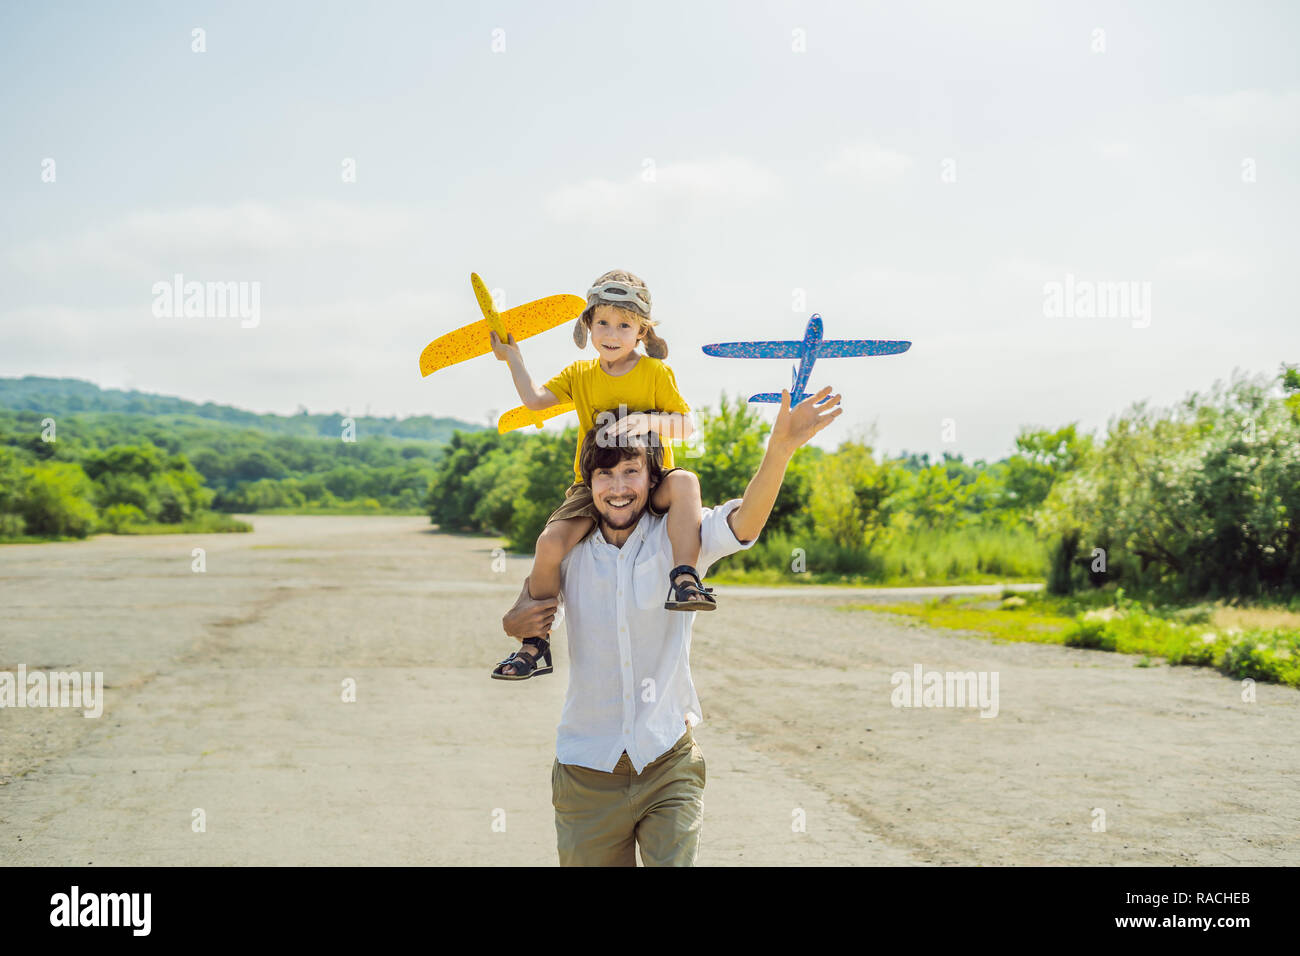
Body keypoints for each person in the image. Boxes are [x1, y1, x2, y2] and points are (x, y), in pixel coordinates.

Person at [502, 387, 843, 866]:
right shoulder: (569, 546)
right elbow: (524, 608)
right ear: (589, 481)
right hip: (587, 771)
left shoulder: (680, 536)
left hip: (667, 761)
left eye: (630, 472)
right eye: (605, 474)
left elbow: (745, 522)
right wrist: (513, 621)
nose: (618, 487)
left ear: (652, 477)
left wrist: (780, 448)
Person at [489, 268, 716, 681]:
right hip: (592, 484)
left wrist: (646, 421)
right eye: (603, 323)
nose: (612, 333)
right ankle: (534, 643)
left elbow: (685, 425)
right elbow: (537, 401)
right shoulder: (580, 376)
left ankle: (684, 578)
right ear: (588, 325)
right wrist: (513, 359)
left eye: (624, 325)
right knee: (550, 541)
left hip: (650, 478)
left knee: (686, 483)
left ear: (641, 331)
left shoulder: (654, 373)